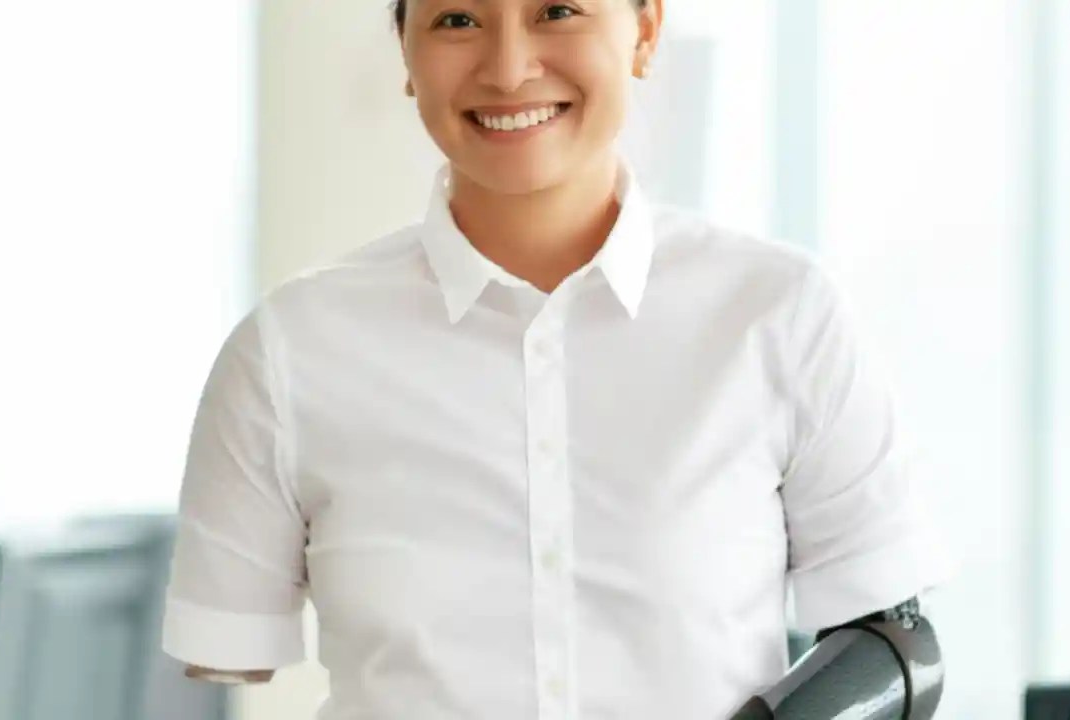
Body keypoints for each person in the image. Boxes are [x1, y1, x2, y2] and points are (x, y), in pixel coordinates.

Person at [161, 0, 951, 717]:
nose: (508, 69)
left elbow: (897, 645)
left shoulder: (780, 315)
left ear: (645, 30)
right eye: (457, 20)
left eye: (558, 10)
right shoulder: (290, 350)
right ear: (405, 47)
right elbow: (217, 654)